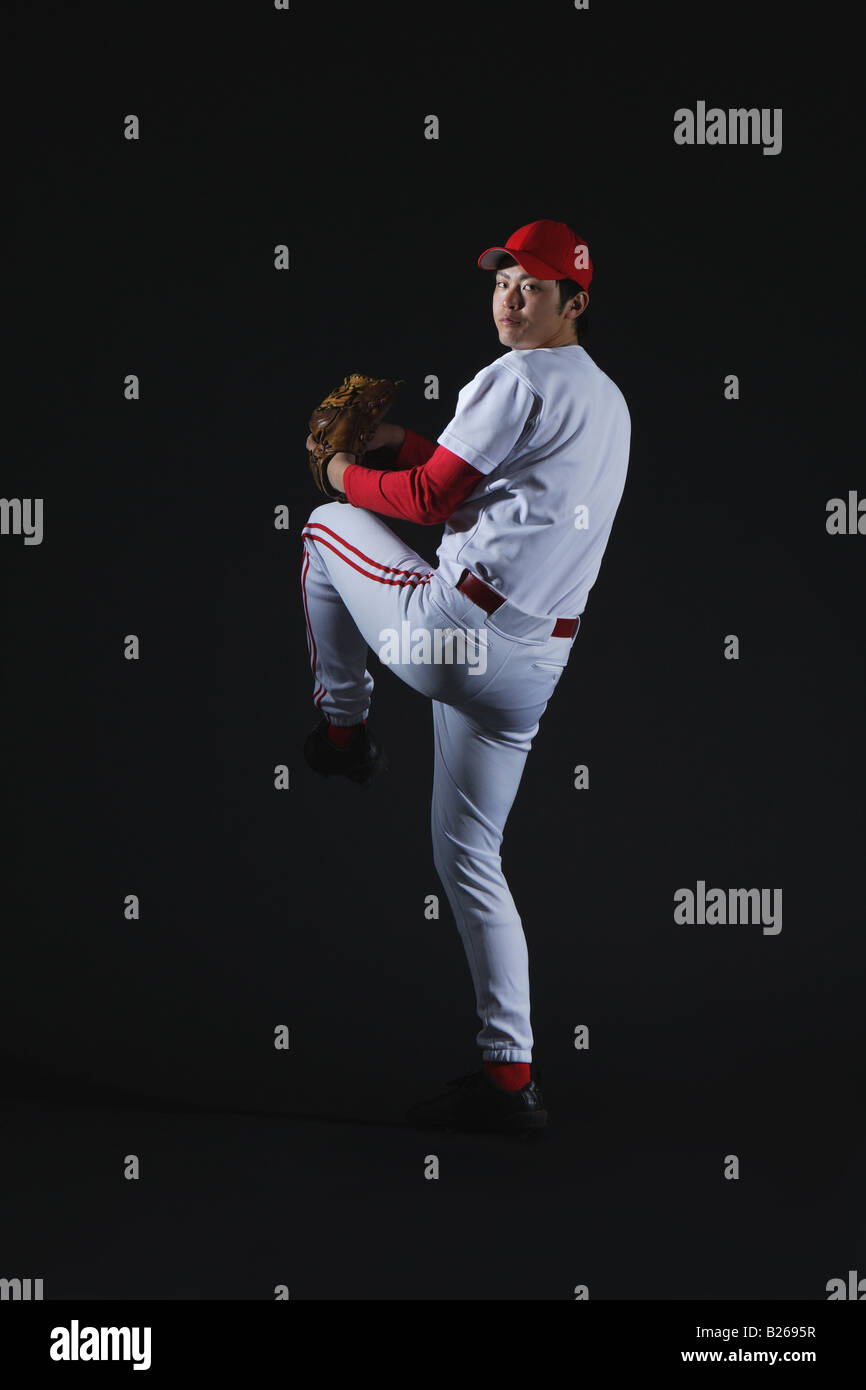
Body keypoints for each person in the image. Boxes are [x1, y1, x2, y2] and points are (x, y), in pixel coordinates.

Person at [300, 219, 631, 1133]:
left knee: (325, 534)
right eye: (503, 282)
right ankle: (509, 1082)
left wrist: (338, 469)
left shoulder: (514, 376)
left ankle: (344, 732)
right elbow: (479, 477)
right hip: (533, 668)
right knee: (472, 857)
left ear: (575, 301)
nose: (511, 297)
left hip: (452, 637)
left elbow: (431, 498)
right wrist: (399, 440)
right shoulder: (605, 401)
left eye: (533, 285)